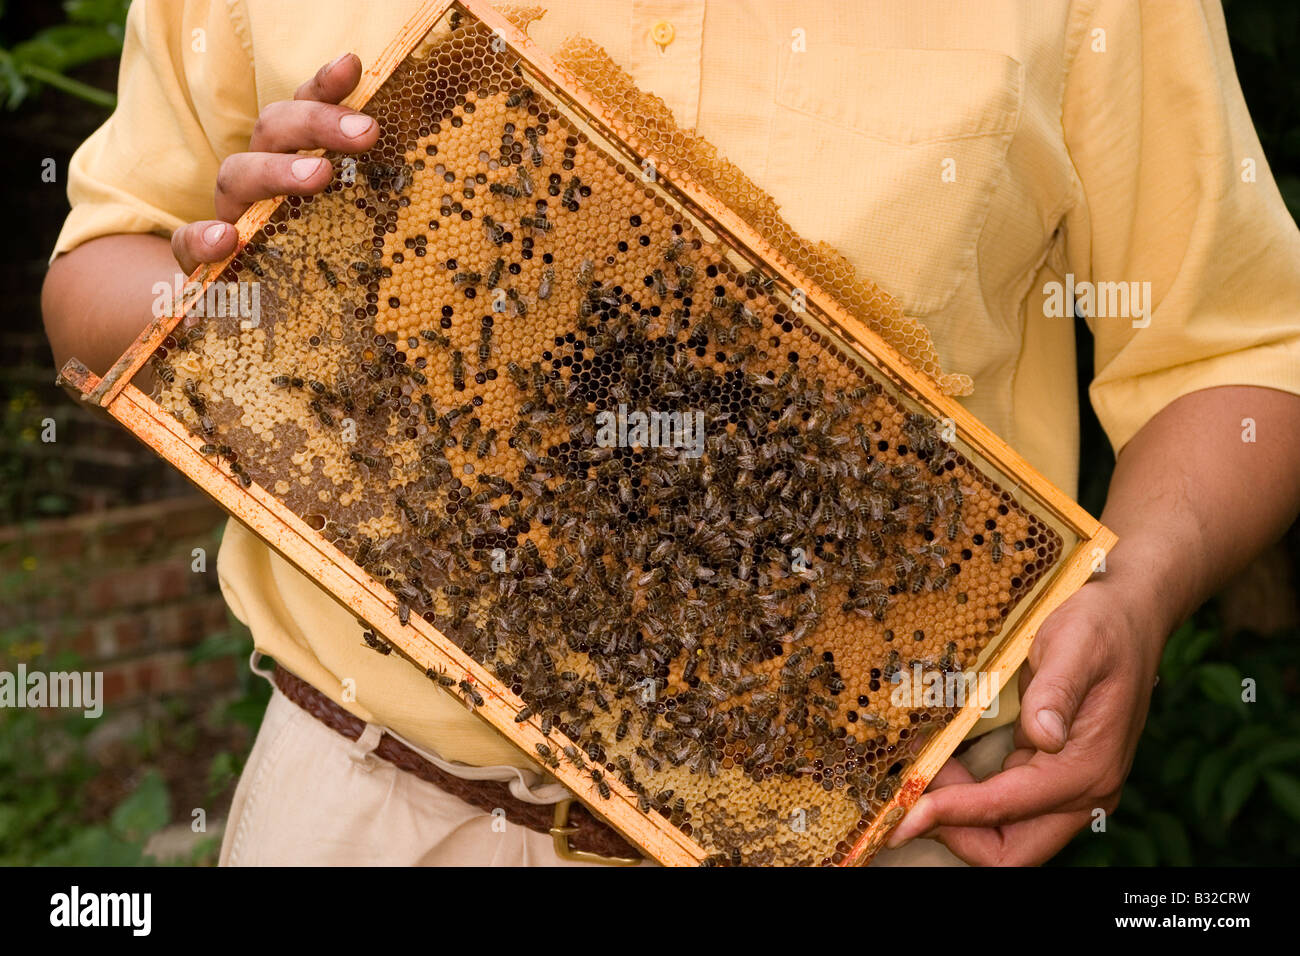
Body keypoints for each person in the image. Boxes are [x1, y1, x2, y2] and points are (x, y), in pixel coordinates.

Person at [42, 0, 1300, 866]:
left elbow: (1243, 353)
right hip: (363, 806)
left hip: (859, 825)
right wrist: (240, 279)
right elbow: (95, 277)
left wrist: (1135, 589)